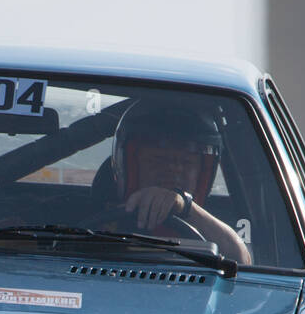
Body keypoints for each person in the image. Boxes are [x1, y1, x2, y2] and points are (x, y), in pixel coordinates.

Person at [100, 102, 252, 264]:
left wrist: (186, 208)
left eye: (186, 163)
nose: (173, 171)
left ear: (203, 174)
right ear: (131, 166)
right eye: (159, 160)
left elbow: (242, 261)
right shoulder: (98, 219)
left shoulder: (218, 228)